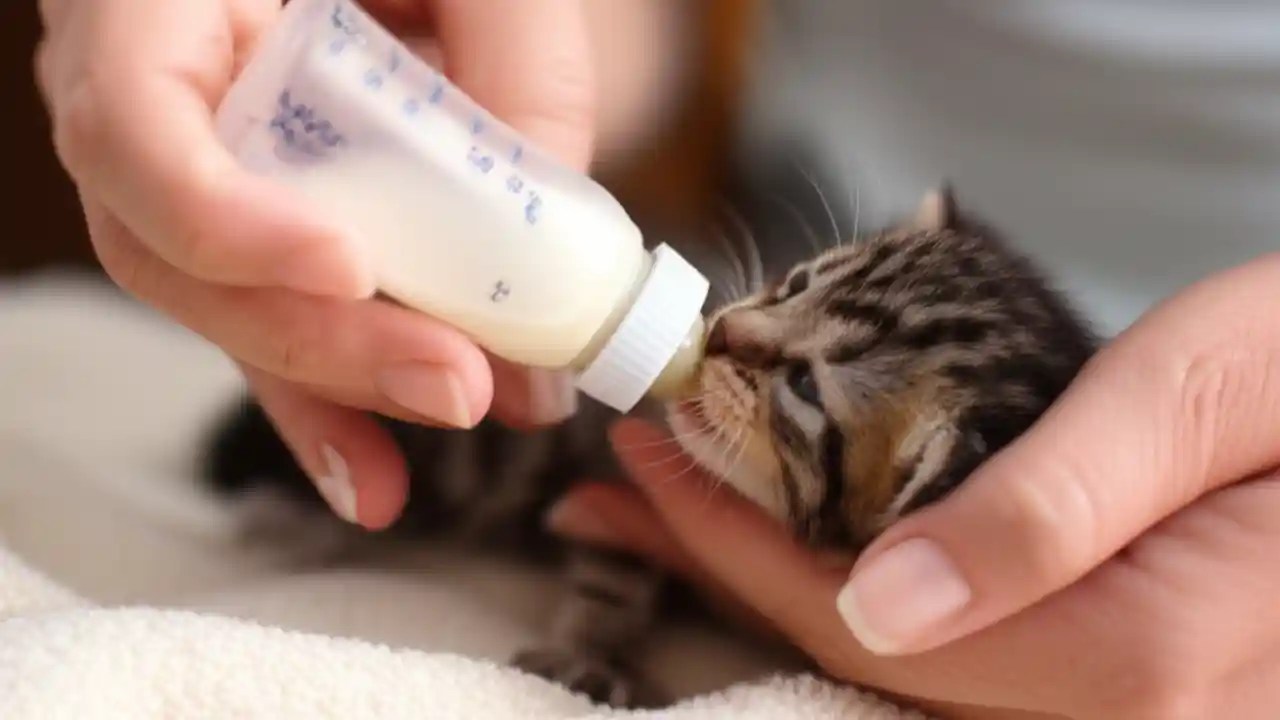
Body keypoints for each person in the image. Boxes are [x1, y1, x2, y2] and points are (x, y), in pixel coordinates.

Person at [37, 2, 1280, 718]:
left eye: (800, 383)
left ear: (911, 493)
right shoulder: (768, 370)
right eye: (789, 296)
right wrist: (475, 65)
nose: (735, 332)